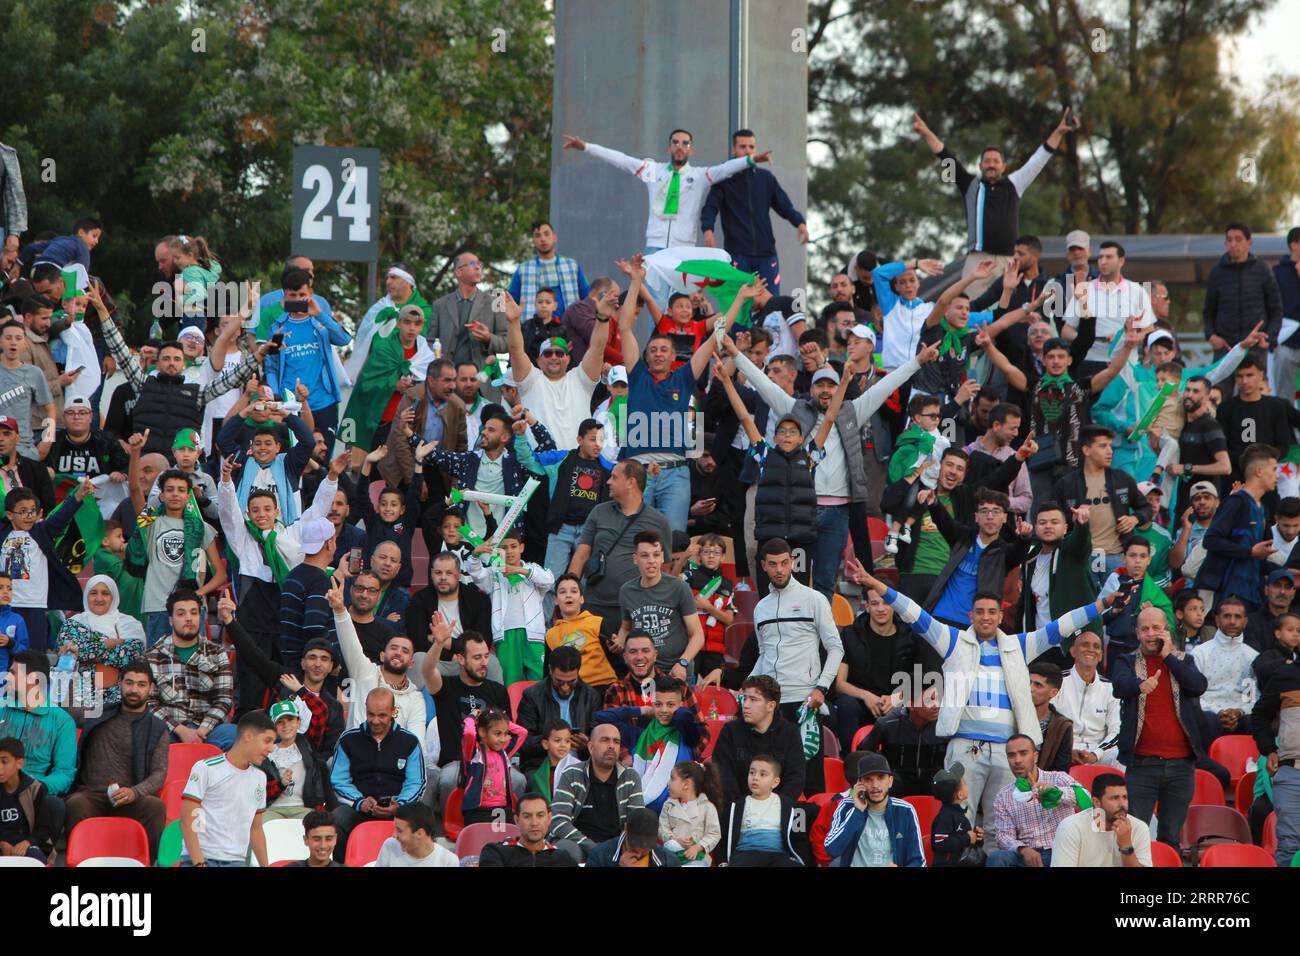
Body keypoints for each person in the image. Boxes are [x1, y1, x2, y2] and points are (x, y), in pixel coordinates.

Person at [854, 568, 1124, 844]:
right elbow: (914, 613)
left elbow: (1061, 627)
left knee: (1001, 826)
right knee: (960, 821)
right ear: (971, 616)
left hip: (1007, 751)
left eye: (991, 612)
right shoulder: (953, 640)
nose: (985, 617)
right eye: (980, 611)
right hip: (965, 747)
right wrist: (875, 583)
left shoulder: (1019, 646)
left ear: (999, 616)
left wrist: (1101, 604)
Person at [726, 330, 935, 599]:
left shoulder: (853, 412)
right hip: (802, 509)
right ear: (811, 389)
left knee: (825, 580)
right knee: (796, 581)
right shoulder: (795, 410)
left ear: (839, 389)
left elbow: (888, 385)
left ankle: (819, 638)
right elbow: (763, 386)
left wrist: (917, 361)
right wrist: (735, 354)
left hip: (838, 512)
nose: (825, 391)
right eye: (819, 385)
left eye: (831, 386)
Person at [912, 109, 1073, 294]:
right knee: (969, 309)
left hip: (1008, 261)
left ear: (1003, 166)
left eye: (996, 161)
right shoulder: (971, 186)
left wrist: (1060, 131)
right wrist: (926, 133)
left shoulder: (1015, 184)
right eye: (987, 161)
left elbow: (1039, 159)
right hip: (977, 260)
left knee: (1007, 312)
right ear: (981, 166)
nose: (991, 164)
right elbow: (946, 157)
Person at [562, 129, 768, 251]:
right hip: (656, 245)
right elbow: (621, 159)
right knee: (655, 303)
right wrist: (586, 147)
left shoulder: (699, 175)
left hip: (684, 247)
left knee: (681, 305)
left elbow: (725, 168)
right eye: (675, 142)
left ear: (691, 149)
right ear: (668, 148)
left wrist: (751, 159)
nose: (680, 146)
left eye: (685, 143)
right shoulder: (652, 170)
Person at [748, 537, 842, 792]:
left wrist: (821, 688)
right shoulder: (761, 608)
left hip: (805, 702)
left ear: (792, 562)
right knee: (771, 781)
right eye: (773, 564)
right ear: (764, 566)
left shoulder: (814, 599)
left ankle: (810, 832)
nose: (779, 569)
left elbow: (836, 647)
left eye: (784, 563)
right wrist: (748, 687)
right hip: (771, 705)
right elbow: (764, 653)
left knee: (809, 781)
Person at [1112, 606, 1209, 846]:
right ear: (1137, 633)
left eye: (1156, 628)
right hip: (1142, 763)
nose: (1151, 633)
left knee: (1170, 837)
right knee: (1135, 836)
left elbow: (1197, 686)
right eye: (1145, 629)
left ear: (1166, 631)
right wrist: (1139, 686)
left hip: (1182, 765)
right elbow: (1120, 686)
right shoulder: (1126, 660)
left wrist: (1168, 657)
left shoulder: (1185, 660)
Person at [567, 459, 673, 639]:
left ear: (631, 482)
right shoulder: (598, 512)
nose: (608, 481)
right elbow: (582, 554)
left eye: (614, 478)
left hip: (636, 608)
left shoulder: (658, 522)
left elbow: (664, 567)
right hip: (593, 605)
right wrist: (570, 593)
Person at [125, 460, 225, 647]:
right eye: (170, 490)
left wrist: (197, 593)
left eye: (181, 490)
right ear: (161, 496)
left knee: (193, 667)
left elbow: (220, 574)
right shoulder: (151, 522)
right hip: (158, 606)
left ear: (188, 497)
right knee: (158, 667)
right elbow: (133, 490)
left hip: (192, 607)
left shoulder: (200, 527)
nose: (175, 494)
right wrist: (135, 452)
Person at [327, 576, 427, 752]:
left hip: (393, 767)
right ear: (382, 655)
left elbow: (417, 743)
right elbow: (350, 642)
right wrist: (340, 610)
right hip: (355, 758)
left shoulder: (415, 698)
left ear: (411, 663)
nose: (398, 652)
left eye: (405, 651)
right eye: (393, 648)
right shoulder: (364, 672)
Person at [699, 128, 807, 291]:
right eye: (742, 147)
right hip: (737, 254)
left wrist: (800, 223)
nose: (747, 151)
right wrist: (708, 230)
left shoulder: (766, 178)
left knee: (771, 306)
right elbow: (710, 207)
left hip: (766, 253)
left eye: (751, 147)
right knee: (741, 308)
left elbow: (785, 206)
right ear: (733, 150)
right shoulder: (723, 179)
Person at [503, 287, 609, 450]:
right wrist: (513, 322)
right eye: (548, 353)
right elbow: (516, 350)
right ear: (538, 360)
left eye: (559, 353)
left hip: (576, 464)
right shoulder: (530, 380)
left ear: (567, 358)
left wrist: (602, 318)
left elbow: (597, 348)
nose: (554, 357)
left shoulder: (581, 379)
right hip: (539, 464)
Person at [257, 266, 351, 447]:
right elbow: (271, 365)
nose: (298, 300)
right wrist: (276, 397)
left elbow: (344, 339)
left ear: (311, 293)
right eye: (293, 296)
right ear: (285, 295)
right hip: (291, 404)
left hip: (323, 401)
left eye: (302, 295)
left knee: (323, 457)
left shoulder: (320, 323)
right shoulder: (278, 327)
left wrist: (320, 314)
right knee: (295, 458)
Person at [329, 687, 426, 861]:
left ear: (393, 712)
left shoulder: (409, 742)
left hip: (399, 808)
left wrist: (400, 804)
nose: (375, 721)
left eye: (382, 715)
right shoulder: (348, 739)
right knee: (337, 819)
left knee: (423, 820)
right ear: (365, 709)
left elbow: (416, 783)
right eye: (371, 714)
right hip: (360, 807)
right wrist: (359, 801)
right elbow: (338, 780)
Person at [420, 631, 512, 812]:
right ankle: (449, 830)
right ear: (461, 659)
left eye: (486, 656)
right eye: (477, 657)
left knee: (518, 780)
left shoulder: (499, 691)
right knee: (448, 780)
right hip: (456, 762)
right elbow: (427, 671)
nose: (484, 662)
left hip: (492, 760)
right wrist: (438, 643)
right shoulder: (446, 687)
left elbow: (507, 732)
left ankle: (498, 828)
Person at [0, 481, 92, 650]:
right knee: (6, 651)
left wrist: (78, 496)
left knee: (35, 653)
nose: (29, 516)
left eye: (32, 511)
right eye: (22, 511)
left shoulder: (42, 531)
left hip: (35, 604)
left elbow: (62, 516)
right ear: (9, 514)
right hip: (6, 605)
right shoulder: (3, 534)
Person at [180, 711, 277, 867]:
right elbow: (187, 819)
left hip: (236, 861)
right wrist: (199, 863)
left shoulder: (260, 778)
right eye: (267, 741)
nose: (271, 748)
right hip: (201, 857)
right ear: (248, 736)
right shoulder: (205, 768)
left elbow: (256, 829)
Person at [595, 675, 706, 811]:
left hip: (675, 813)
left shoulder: (686, 734)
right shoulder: (639, 734)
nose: (664, 710)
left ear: (680, 705)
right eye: (658, 704)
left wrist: (676, 711)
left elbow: (684, 717)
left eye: (670, 704)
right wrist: (642, 710)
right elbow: (602, 717)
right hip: (641, 811)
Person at [1194, 442, 1278, 610]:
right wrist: (1249, 552)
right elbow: (1211, 540)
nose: (1278, 476)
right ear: (1259, 471)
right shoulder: (1236, 502)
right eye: (1274, 469)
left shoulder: (1262, 509)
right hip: (1222, 596)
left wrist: (1284, 571)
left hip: (1250, 594)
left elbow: (1257, 557)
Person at [144, 589, 233, 744]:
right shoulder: (151, 656)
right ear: (170, 620)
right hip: (169, 730)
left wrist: (202, 730)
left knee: (236, 735)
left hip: (208, 730)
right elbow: (149, 703)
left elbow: (223, 699)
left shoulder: (217, 653)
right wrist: (180, 730)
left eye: (194, 613)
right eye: (181, 614)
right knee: (147, 737)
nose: (189, 619)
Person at [614, 530, 704, 682]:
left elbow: (698, 635)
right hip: (643, 673)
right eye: (644, 555)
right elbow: (626, 628)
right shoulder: (626, 591)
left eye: (656, 555)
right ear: (635, 559)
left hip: (676, 672)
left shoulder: (679, 587)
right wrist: (619, 641)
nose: (651, 560)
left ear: (662, 557)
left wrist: (682, 663)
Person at [466, 528, 554, 684]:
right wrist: (475, 555)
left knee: (538, 681)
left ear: (522, 547)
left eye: (513, 546)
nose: (509, 551)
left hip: (533, 634)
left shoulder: (532, 570)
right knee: (510, 683)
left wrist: (518, 570)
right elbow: (476, 574)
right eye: (504, 548)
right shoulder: (494, 573)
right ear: (498, 551)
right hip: (505, 635)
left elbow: (549, 579)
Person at [548, 722, 646, 863]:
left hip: (616, 846)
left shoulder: (630, 777)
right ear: (591, 747)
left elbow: (637, 822)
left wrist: (619, 848)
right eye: (605, 740)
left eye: (616, 742)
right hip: (578, 844)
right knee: (565, 851)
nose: (611, 745)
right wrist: (593, 847)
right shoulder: (572, 774)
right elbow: (558, 821)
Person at [0, 650, 77, 818]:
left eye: (13, 673)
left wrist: (36, 786)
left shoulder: (62, 722)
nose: (7, 678)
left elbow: (64, 773)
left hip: (32, 792)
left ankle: (37, 844)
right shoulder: (1, 707)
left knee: (54, 806)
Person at [985, 733, 1081, 867]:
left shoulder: (1057, 778)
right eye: (1012, 755)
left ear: (1035, 756)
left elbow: (1085, 798)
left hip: (1058, 850)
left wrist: (1057, 793)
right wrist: (1023, 849)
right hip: (1026, 855)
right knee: (998, 858)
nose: (1017, 760)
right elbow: (1003, 836)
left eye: (1023, 753)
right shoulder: (1003, 795)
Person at [56, 575, 147, 712]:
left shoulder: (129, 623)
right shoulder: (73, 623)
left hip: (119, 691)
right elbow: (70, 654)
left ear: (114, 596)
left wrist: (86, 653)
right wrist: (109, 644)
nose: (99, 598)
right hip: (81, 691)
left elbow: (133, 655)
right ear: (86, 596)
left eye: (105, 593)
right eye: (93, 593)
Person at [712, 674, 806, 803]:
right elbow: (723, 775)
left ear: (771, 706)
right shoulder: (730, 731)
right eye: (745, 698)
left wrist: (777, 805)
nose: (746, 705)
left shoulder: (790, 732)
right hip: (737, 806)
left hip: (777, 808)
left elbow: (795, 777)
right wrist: (742, 806)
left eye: (753, 699)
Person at [821, 750, 924, 867]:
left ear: (890, 781)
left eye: (880, 778)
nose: (875, 785)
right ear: (859, 783)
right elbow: (832, 849)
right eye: (868, 779)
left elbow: (919, 860)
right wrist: (857, 811)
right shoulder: (846, 806)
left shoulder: (905, 810)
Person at [1203, 222, 1283, 360]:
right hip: (1225, 347)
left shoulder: (1262, 270)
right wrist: (1211, 335)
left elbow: (1276, 309)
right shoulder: (1217, 272)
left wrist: (1269, 339)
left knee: (1255, 382)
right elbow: (1208, 311)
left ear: (1249, 242)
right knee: (1218, 382)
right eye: (1229, 240)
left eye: (1238, 239)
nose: (1233, 244)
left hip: (1255, 346)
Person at [516, 645, 600, 776]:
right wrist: (550, 742)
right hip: (541, 765)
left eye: (571, 682)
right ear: (550, 670)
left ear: (578, 672)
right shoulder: (532, 696)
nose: (565, 688)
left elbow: (598, 738)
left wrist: (586, 743)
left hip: (581, 763)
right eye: (559, 681)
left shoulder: (590, 696)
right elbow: (522, 741)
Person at [1251, 641, 1300, 866]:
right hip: (1292, 771)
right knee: (1290, 844)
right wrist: (1268, 749)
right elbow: (1259, 715)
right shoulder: (1285, 675)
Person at [1216, 357, 1300, 481]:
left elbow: (1283, 445)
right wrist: (1244, 460)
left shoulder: (1276, 407)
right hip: (1235, 475)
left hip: (1267, 474)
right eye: (1240, 376)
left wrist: (1264, 459)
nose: (1244, 381)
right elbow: (1221, 445)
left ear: (1261, 375)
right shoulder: (1226, 408)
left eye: (1249, 375)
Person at [428, 251, 508, 381]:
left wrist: (489, 339)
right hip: (449, 382)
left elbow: (508, 342)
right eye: (472, 264)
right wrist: (437, 356)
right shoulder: (440, 305)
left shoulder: (496, 302)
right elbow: (430, 341)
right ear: (458, 272)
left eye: (479, 264)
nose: (478, 267)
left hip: (483, 381)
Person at [714, 755, 806, 867]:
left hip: (778, 856)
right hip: (745, 854)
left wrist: (801, 861)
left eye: (762, 774)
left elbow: (801, 840)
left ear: (775, 782)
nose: (755, 778)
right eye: (752, 773)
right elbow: (721, 837)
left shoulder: (790, 807)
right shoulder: (735, 806)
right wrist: (722, 862)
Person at [858, 686, 948, 798]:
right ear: (911, 704)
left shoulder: (946, 726)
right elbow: (862, 754)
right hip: (896, 783)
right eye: (929, 700)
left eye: (938, 699)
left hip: (931, 782)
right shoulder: (887, 724)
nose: (936, 705)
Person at [600, 630, 700, 730]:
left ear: (655, 655)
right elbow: (608, 735)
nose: (639, 657)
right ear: (625, 658)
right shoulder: (616, 691)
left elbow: (703, 735)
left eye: (645, 651)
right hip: (633, 745)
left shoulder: (680, 687)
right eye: (633, 652)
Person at [1190, 596, 1259, 741]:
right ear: (1217, 620)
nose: (1232, 621)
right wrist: (1219, 712)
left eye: (1237, 617)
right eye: (1227, 616)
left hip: (1240, 715)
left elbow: (1251, 698)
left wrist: (1238, 713)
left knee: (1255, 721)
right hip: (1208, 714)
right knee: (1208, 719)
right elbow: (1194, 695)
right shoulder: (1200, 653)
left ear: (1245, 622)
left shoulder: (1252, 657)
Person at [1051, 773, 1152, 867]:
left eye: (1125, 797)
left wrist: (1126, 845)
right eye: (1114, 798)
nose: (1122, 804)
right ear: (1096, 802)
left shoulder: (1139, 827)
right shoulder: (1071, 827)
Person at [1056, 630, 1123, 768]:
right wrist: (1067, 751)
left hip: (1097, 752)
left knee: (1123, 756)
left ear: (1100, 656)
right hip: (1062, 750)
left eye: (1096, 646)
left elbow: (1117, 730)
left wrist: (1095, 754)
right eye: (1085, 645)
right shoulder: (1058, 681)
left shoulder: (1110, 688)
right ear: (1073, 651)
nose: (1091, 650)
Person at [279, 517, 339, 666]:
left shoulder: (292, 575)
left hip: (289, 660)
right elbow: (315, 627)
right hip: (308, 668)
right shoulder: (320, 580)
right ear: (330, 543)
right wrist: (333, 661)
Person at [258, 699, 330, 821]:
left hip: (304, 808)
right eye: (280, 722)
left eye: (290, 720)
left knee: (313, 827)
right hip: (273, 809)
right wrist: (280, 784)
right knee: (263, 825)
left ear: (298, 722)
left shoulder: (307, 744)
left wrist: (300, 690)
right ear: (273, 727)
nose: (286, 725)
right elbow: (260, 790)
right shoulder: (266, 752)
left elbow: (321, 712)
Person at [545, 573, 616, 689]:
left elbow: (615, 659)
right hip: (570, 691)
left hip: (603, 687)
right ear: (556, 600)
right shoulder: (551, 635)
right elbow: (548, 674)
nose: (568, 596)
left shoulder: (597, 622)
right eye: (562, 592)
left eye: (574, 591)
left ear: (582, 598)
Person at [0, 321, 55, 462]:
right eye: (8, 338)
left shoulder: (34, 373)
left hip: (23, 448)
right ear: (1, 342)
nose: (13, 343)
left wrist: (47, 441)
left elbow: (50, 409)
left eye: (18, 338)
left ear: (25, 344)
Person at [478, 792, 577, 867]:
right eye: (527, 816)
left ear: (549, 818)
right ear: (517, 820)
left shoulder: (562, 858)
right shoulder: (496, 852)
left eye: (540, 815)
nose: (534, 823)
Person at [0, 737, 56, 863]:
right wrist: (2, 843)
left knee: (34, 857)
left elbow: (43, 829)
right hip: (2, 844)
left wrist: (27, 842)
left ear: (19, 763)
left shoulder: (35, 789)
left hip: (27, 844)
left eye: (4, 762)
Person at [657, 761, 723, 866]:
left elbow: (714, 833)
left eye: (672, 778)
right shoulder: (668, 805)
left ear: (686, 784)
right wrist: (674, 839)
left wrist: (697, 847)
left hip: (696, 859)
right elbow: (662, 828)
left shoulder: (707, 807)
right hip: (670, 857)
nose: (668, 783)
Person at [372, 801, 459, 868]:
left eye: (399, 830)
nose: (394, 835)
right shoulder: (390, 845)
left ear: (419, 833)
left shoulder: (449, 861)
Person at [930, 763, 982, 867]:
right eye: (965, 783)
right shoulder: (945, 816)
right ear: (960, 794)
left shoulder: (958, 813)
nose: (967, 785)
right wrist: (967, 838)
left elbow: (964, 843)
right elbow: (939, 844)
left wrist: (976, 838)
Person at [1028, 662, 1074, 772]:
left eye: (1038, 685)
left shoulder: (1062, 726)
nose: (1030, 689)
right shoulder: (1011, 716)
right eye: (1028, 682)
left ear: (1053, 692)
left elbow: (1061, 770)